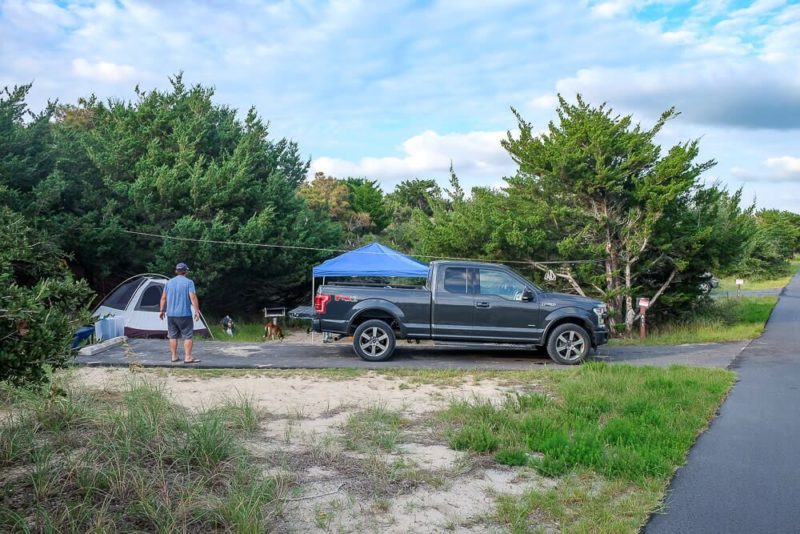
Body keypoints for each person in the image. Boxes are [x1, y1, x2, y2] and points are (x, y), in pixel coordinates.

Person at [159, 262, 201, 363]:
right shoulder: (189, 282)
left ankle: (174, 356)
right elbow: (193, 297)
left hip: (171, 314)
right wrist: (196, 311)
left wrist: (161, 310)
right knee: (187, 336)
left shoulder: (169, 282)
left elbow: (163, 298)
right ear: (186, 271)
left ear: (176, 271)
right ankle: (188, 357)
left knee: (172, 336)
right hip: (184, 314)